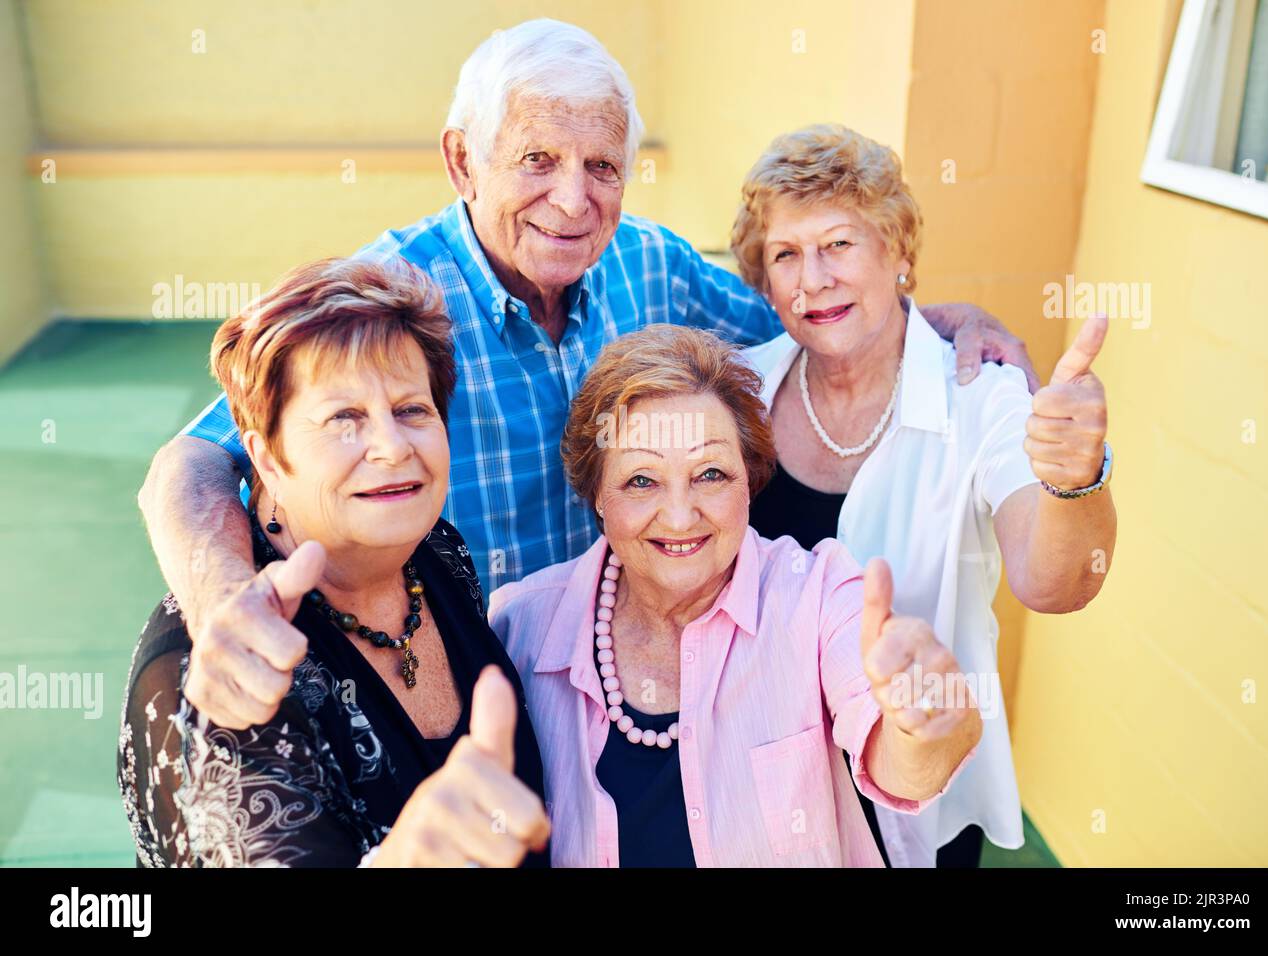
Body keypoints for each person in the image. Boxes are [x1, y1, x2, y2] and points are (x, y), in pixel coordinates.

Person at [136, 18, 1037, 733]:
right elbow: (193, 462)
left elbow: (811, 326)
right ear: (462, 161)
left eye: (602, 166)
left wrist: (929, 320)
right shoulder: (390, 299)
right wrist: (221, 600)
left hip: (634, 689)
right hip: (468, 693)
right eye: (537, 160)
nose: (574, 199)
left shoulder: (654, 265)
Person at [735, 125, 1118, 867]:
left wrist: (1075, 481)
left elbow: (1055, 582)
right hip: (764, 793)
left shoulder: (982, 397)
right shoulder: (739, 390)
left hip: (919, 793)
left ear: (899, 253)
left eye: (840, 244)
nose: (812, 279)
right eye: (786, 255)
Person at [488, 325, 982, 866]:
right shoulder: (521, 626)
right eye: (641, 481)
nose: (680, 516)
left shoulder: (817, 595)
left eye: (710, 473)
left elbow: (901, 761)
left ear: (749, 478)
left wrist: (924, 725)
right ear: (597, 494)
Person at [118, 259, 550, 867]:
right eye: (344, 418)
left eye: (411, 410)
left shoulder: (437, 556)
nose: (392, 446)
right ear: (266, 458)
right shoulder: (217, 661)